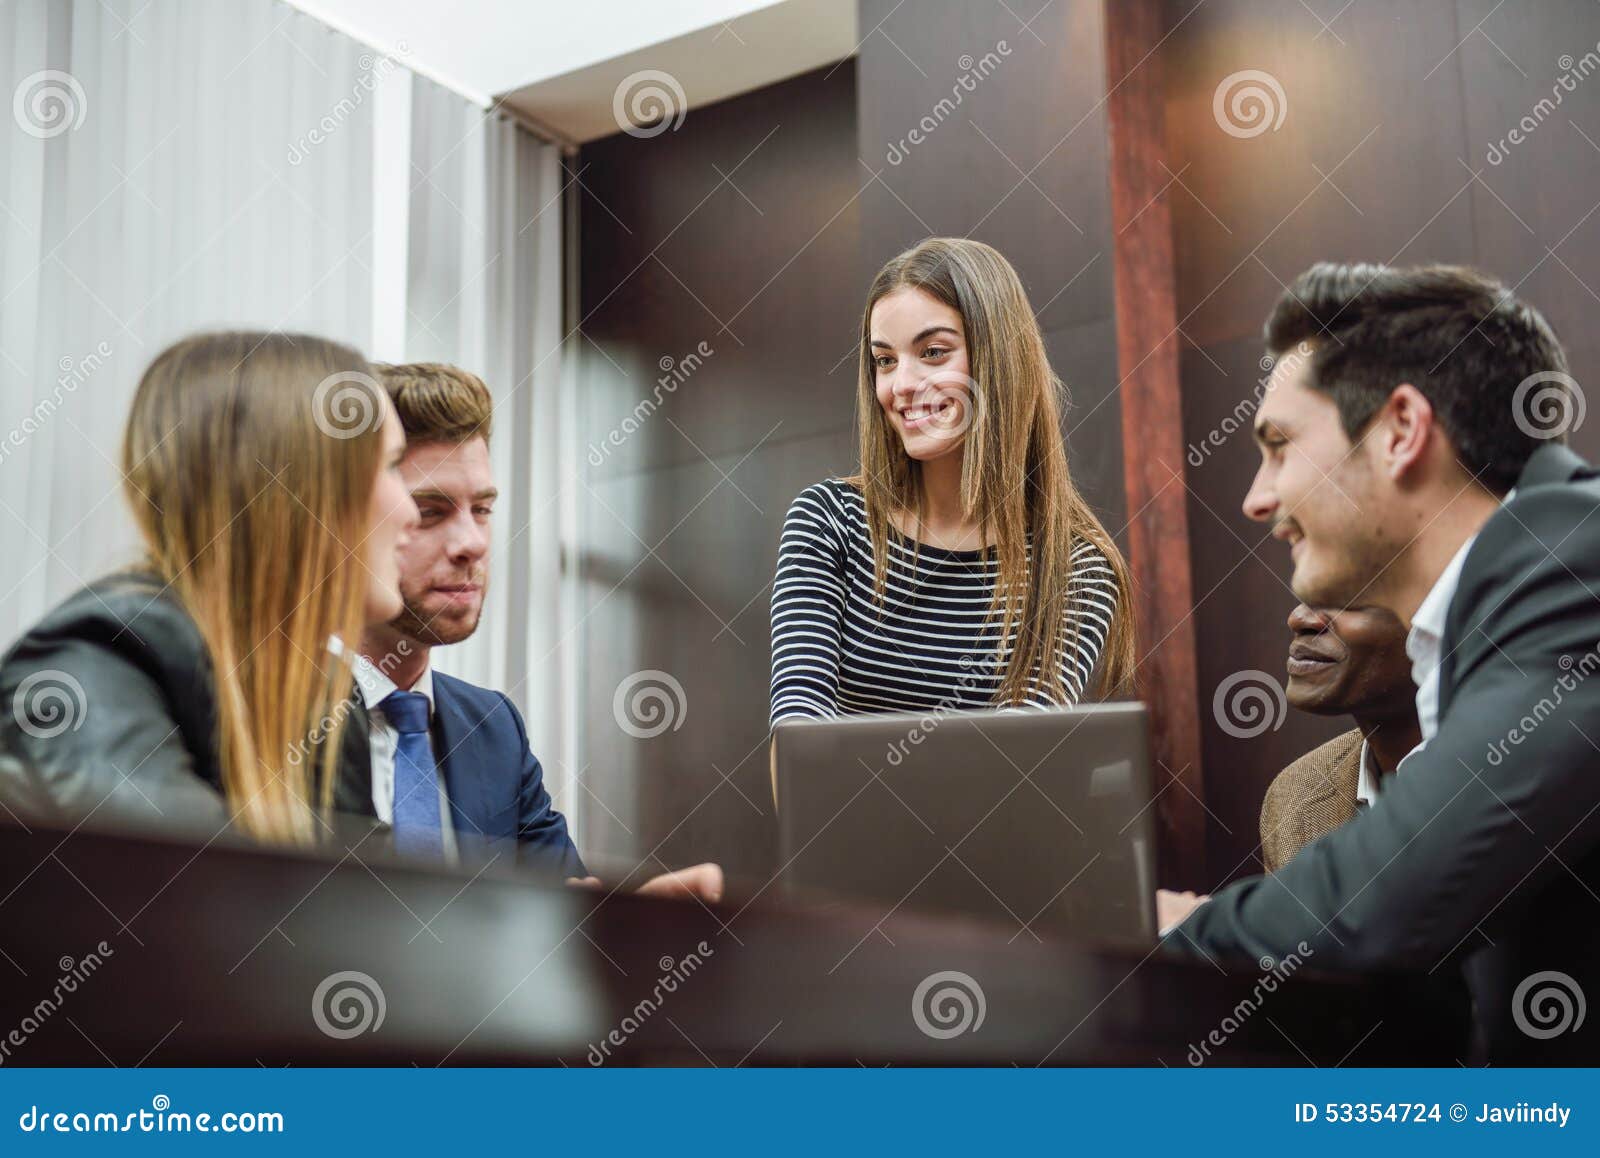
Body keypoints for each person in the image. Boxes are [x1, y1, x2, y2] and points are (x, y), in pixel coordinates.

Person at [1163, 262, 1600, 1062]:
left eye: (1279, 446)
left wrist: (1172, 939)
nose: (1258, 498)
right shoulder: (1500, 608)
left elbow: (1389, 900)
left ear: (1401, 430)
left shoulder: (1578, 572)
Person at [0, 331, 418, 843]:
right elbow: (187, 904)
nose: (412, 512)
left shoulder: (322, 691)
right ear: (300, 493)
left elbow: (362, 913)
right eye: (394, 466)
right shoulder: (98, 658)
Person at [359, 362, 721, 901]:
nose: (472, 544)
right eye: (430, 512)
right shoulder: (265, 722)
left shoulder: (494, 730)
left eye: (482, 509)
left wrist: (618, 940)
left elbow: (558, 926)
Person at [769, 237, 1133, 726]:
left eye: (934, 352)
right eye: (885, 360)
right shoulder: (829, 521)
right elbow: (796, 735)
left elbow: (1016, 767)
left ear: (999, 358)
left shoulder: (1075, 568)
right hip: (840, 807)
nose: (901, 385)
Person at [1261, 602, 1420, 872]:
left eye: (1348, 599)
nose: (1299, 618)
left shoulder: (1505, 786)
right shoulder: (1294, 796)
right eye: (1307, 595)